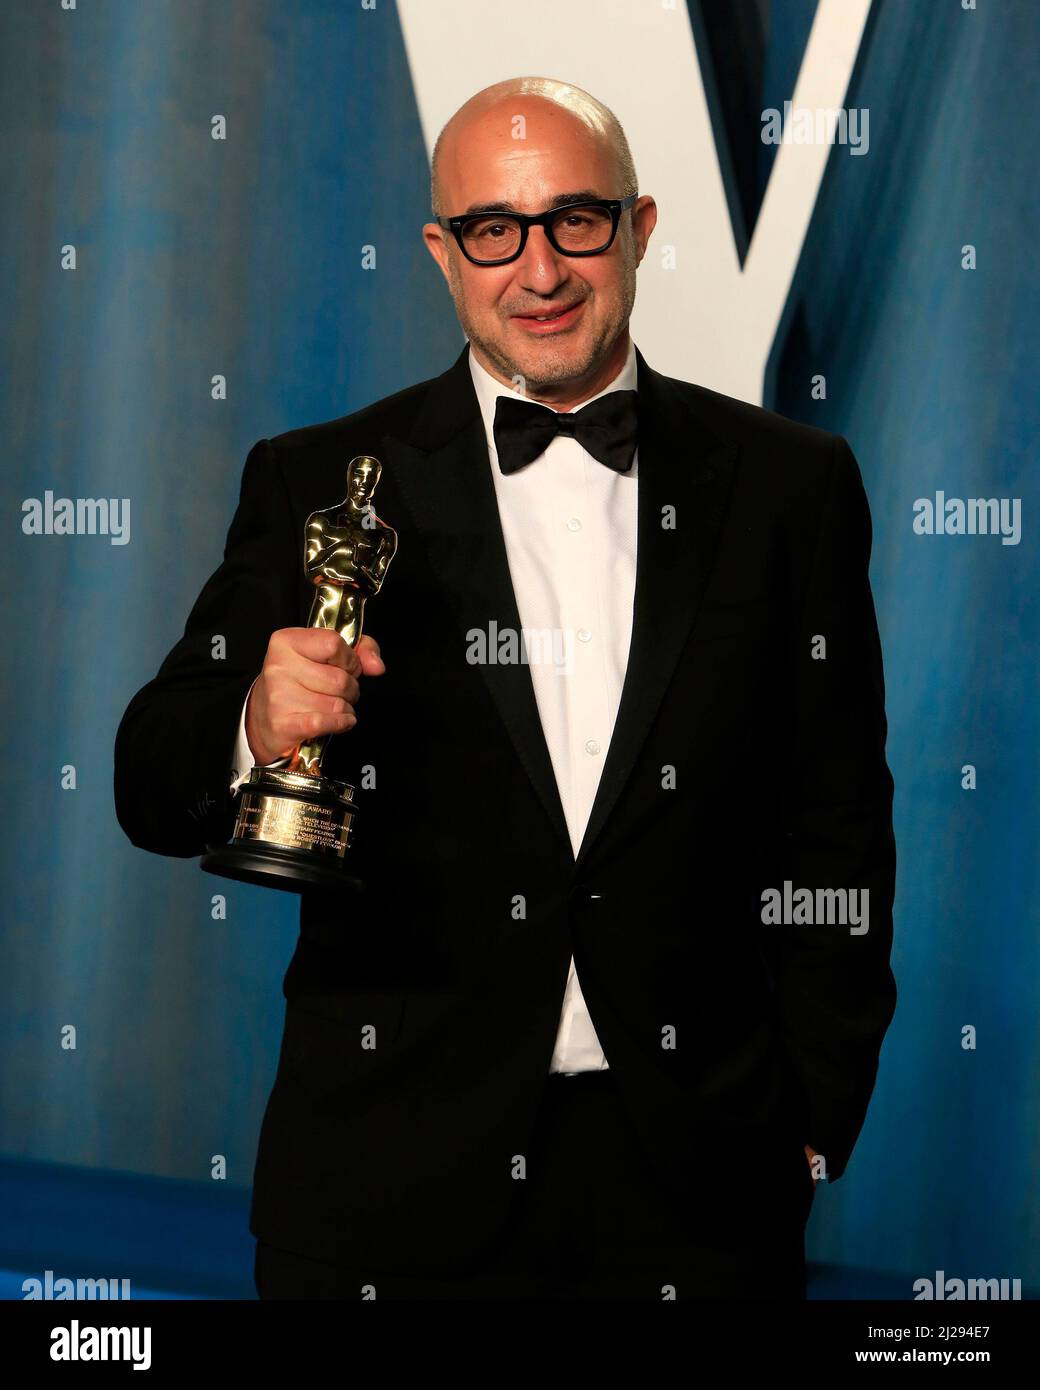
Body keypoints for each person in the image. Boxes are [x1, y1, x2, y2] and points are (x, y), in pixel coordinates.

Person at [113, 75, 897, 1300]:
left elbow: (837, 826)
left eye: (573, 221)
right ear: (442, 251)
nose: (538, 271)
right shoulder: (319, 479)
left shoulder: (789, 486)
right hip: (383, 1184)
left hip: (697, 1188)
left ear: (637, 228)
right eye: (493, 229)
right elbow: (147, 778)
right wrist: (251, 726)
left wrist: (808, 1123)